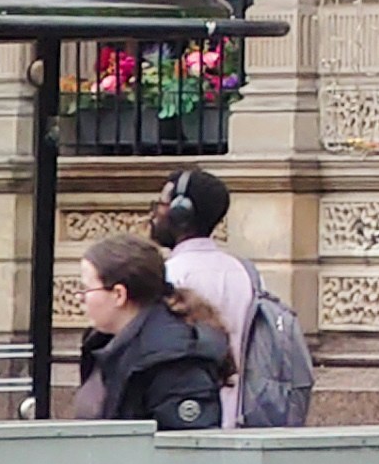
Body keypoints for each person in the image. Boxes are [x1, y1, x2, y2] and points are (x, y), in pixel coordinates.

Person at [76, 237, 228, 429]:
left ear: (118, 295)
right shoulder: (101, 344)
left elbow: (187, 448)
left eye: (86, 289)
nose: (80, 298)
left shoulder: (175, 359)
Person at [151, 166, 257, 423]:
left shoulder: (169, 275)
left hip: (190, 418)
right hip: (243, 419)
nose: (153, 212)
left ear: (180, 212)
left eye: (161, 204)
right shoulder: (246, 272)